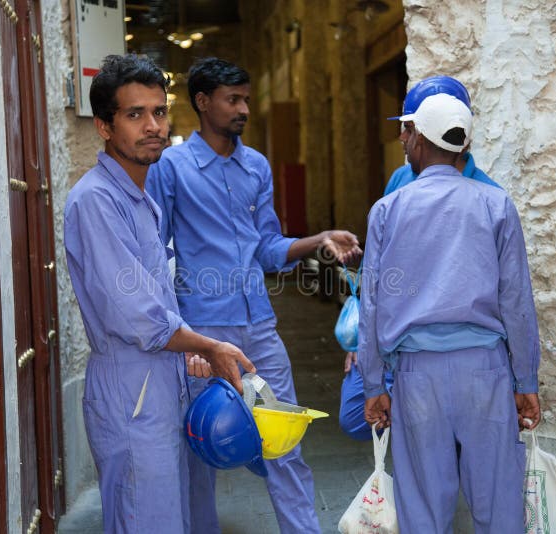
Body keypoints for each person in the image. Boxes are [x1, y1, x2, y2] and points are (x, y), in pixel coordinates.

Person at [146, 57, 361, 534]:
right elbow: (156, 251)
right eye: (233, 99)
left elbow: (268, 249)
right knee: (200, 445)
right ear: (203, 103)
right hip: (201, 333)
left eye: (246, 99)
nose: (244, 108)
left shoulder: (256, 166)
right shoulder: (172, 168)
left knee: (284, 443)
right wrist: (179, 335)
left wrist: (317, 239)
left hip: (259, 329)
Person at [63, 54, 255, 534]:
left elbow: (158, 300)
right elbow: (137, 315)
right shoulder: (95, 201)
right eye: (135, 115)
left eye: (159, 112)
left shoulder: (143, 199)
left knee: (170, 518)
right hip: (131, 394)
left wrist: (190, 352)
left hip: (161, 388)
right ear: (105, 127)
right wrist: (207, 345)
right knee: (145, 519)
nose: (153, 126)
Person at [360, 92, 542, 533]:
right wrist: (526, 381)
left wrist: (373, 383)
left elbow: (373, 305)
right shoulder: (496, 205)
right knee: (498, 502)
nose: (403, 142)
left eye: (407, 132)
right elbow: (516, 301)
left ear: (420, 137)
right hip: (486, 372)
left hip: (416, 376)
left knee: (422, 504)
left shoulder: (387, 210)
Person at [339, 75, 501, 440]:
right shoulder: (399, 181)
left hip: (461, 351)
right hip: (399, 348)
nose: (401, 137)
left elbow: (510, 291)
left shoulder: (491, 198)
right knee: (355, 415)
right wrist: (363, 350)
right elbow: (374, 279)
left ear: (431, 132)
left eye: (408, 127)